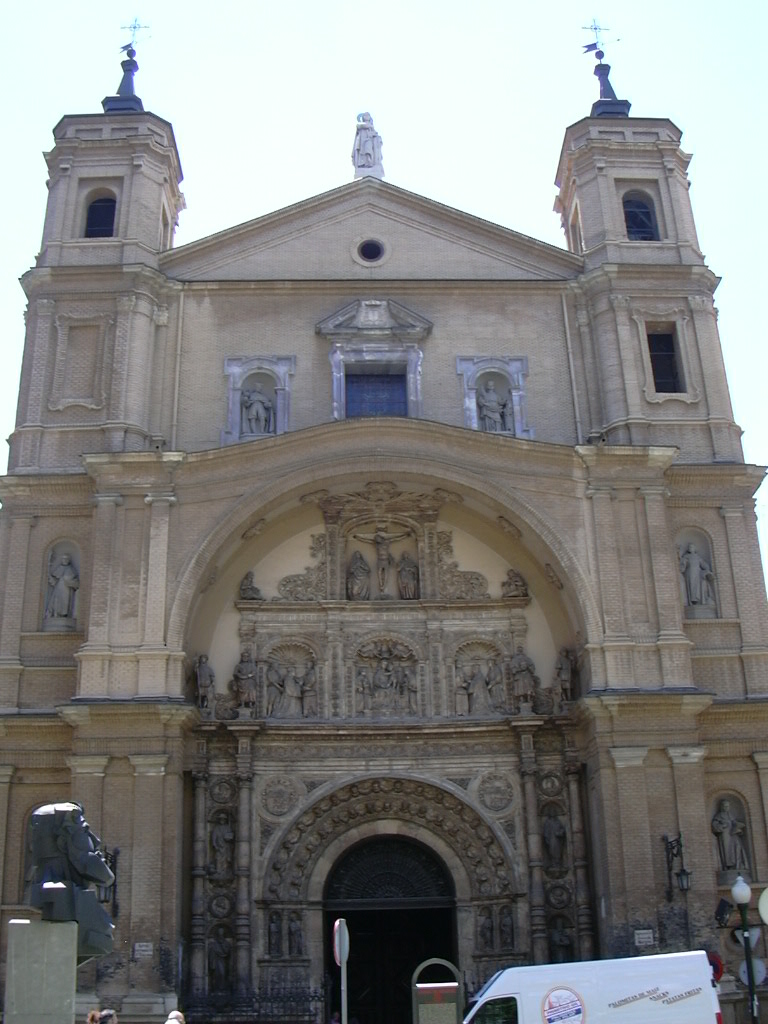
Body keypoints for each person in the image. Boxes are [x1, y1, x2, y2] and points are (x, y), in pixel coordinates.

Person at [711, 798, 749, 871]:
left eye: (727, 806)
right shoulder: (719, 815)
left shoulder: (730, 814)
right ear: (721, 806)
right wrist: (722, 826)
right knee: (727, 850)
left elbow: (734, 822)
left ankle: (738, 864)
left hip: (733, 834)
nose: (726, 808)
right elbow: (714, 825)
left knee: (737, 846)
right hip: (725, 836)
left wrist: (738, 826)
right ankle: (729, 865)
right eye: (725, 806)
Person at [679, 542, 715, 607]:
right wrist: (683, 562)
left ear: (694, 549)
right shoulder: (686, 557)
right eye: (690, 547)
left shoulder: (698, 557)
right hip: (689, 573)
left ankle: (699, 599)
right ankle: (692, 600)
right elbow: (682, 568)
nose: (691, 548)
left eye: (692, 547)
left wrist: (707, 570)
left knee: (697, 586)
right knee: (691, 585)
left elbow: (704, 565)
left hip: (697, 573)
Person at [45, 552, 80, 619]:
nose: (65, 560)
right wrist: (49, 576)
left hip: (66, 590)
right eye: (64, 559)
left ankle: (64, 615)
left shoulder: (71, 569)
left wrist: (69, 582)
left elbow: (75, 582)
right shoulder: (59, 568)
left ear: (69, 560)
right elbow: (54, 580)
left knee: (65, 603)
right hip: (58, 588)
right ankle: (55, 614)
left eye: (66, 559)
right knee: (56, 601)